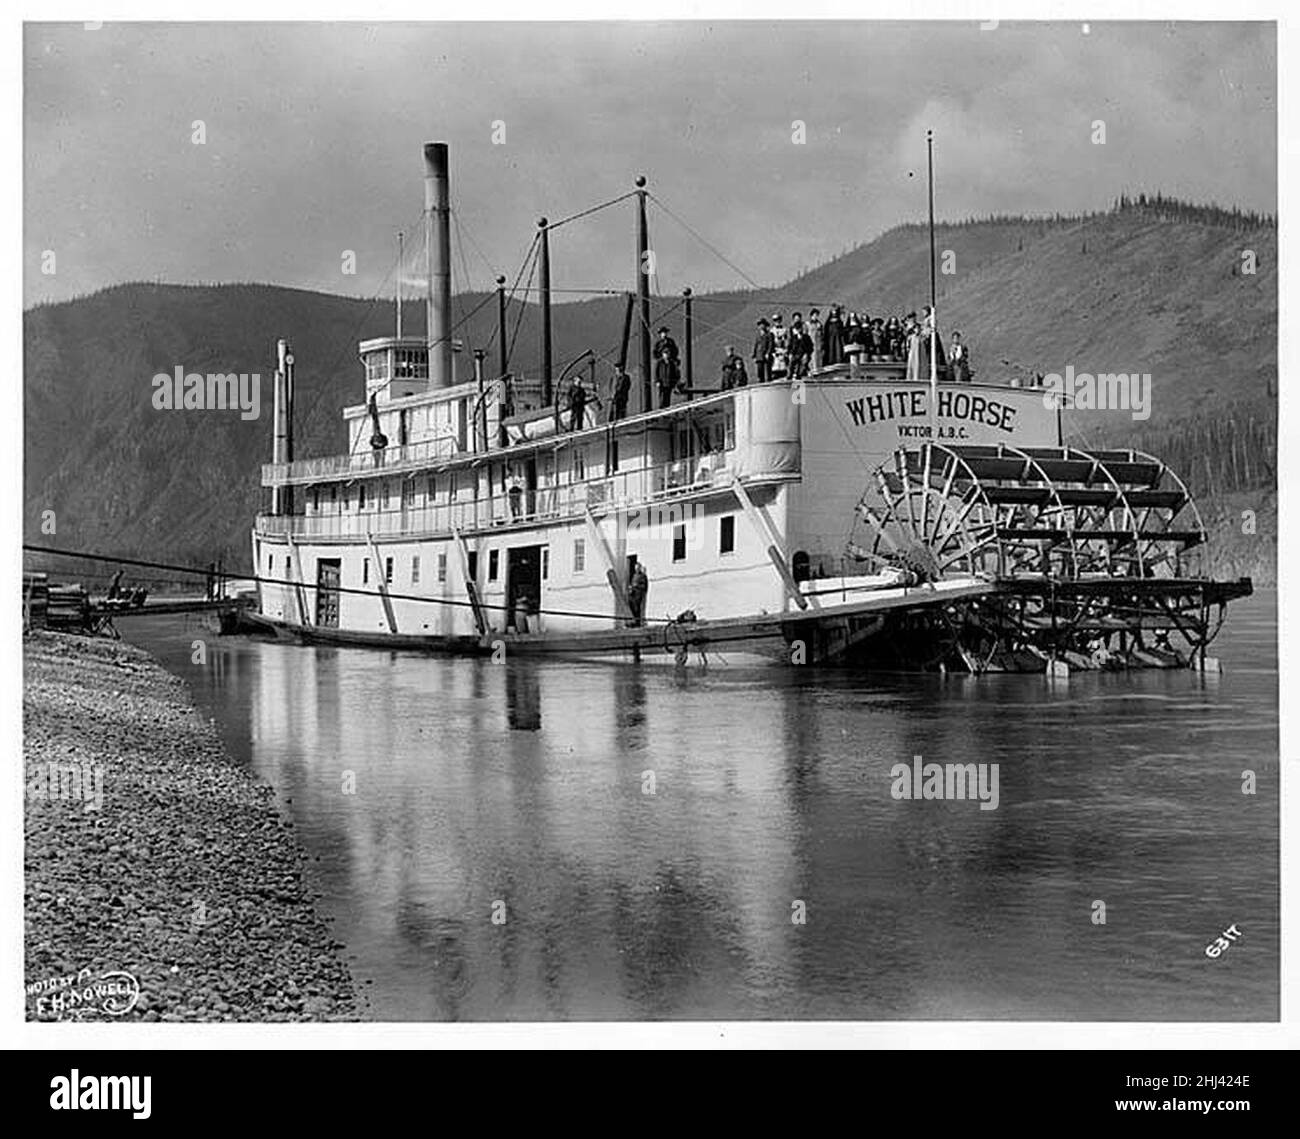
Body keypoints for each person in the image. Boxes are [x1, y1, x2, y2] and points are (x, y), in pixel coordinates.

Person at [653, 326, 681, 409]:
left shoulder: (671, 342)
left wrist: (673, 358)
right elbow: (655, 354)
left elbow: (675, 351)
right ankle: (662, 407)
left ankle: (667, 407)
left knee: (668, 391)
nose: (664, 334)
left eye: (665, 333)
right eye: (662, 333)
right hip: (662, 366)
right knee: (662, 392)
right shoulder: (658, 344)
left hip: (670, 364)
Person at [626, 558, 648, 627]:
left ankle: (638, 622)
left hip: (638, 594)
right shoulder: (634, 575)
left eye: (638, 568)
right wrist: (631, 587)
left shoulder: (643, 576)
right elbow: (632, 583)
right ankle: (633, 621)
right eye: (636, 568)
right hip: (633, 594)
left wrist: (637, 586)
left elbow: (644, 586)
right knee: (632, 607)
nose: (636, 569)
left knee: (637, 608)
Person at [752, 318, 775, 383]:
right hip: (759, 354)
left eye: (762, 324)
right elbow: (756, 345)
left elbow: (770, 344)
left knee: (768, 369)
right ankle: (761, 380)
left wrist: (768, 353)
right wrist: (754, 355)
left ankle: (769, 380)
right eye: (760, 325)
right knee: (760, 369)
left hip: (766, 354)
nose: (761, 326)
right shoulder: (758, 335)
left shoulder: (769, 334)